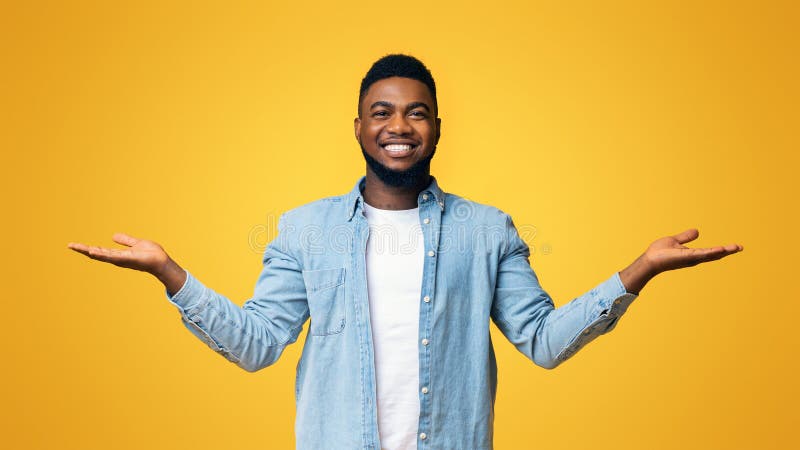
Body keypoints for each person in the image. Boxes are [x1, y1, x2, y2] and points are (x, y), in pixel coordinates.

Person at [67, 54, 743, 450]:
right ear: (359, 126)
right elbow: (258, 344)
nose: (399, 126)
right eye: (382, 112)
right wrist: (168, 272)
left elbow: (541, 340)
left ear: (437, 127)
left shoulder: (487, 230)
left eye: (416, 112)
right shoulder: (303, 230)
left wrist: (640, 270)